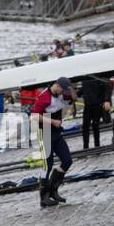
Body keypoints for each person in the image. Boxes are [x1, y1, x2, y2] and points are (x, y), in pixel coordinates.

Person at [31, 77, 76, 207]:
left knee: (67, 160)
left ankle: (53, 191)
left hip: (56, 132)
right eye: (62, 89)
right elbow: (34, 116)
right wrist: (52, 121)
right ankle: (43, 197)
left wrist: (73, 94)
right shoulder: (44, 97)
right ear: (57, 86)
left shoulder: (62, 94)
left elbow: (73, 97)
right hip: (45, 132)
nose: (63, 93)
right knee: (47, 165)